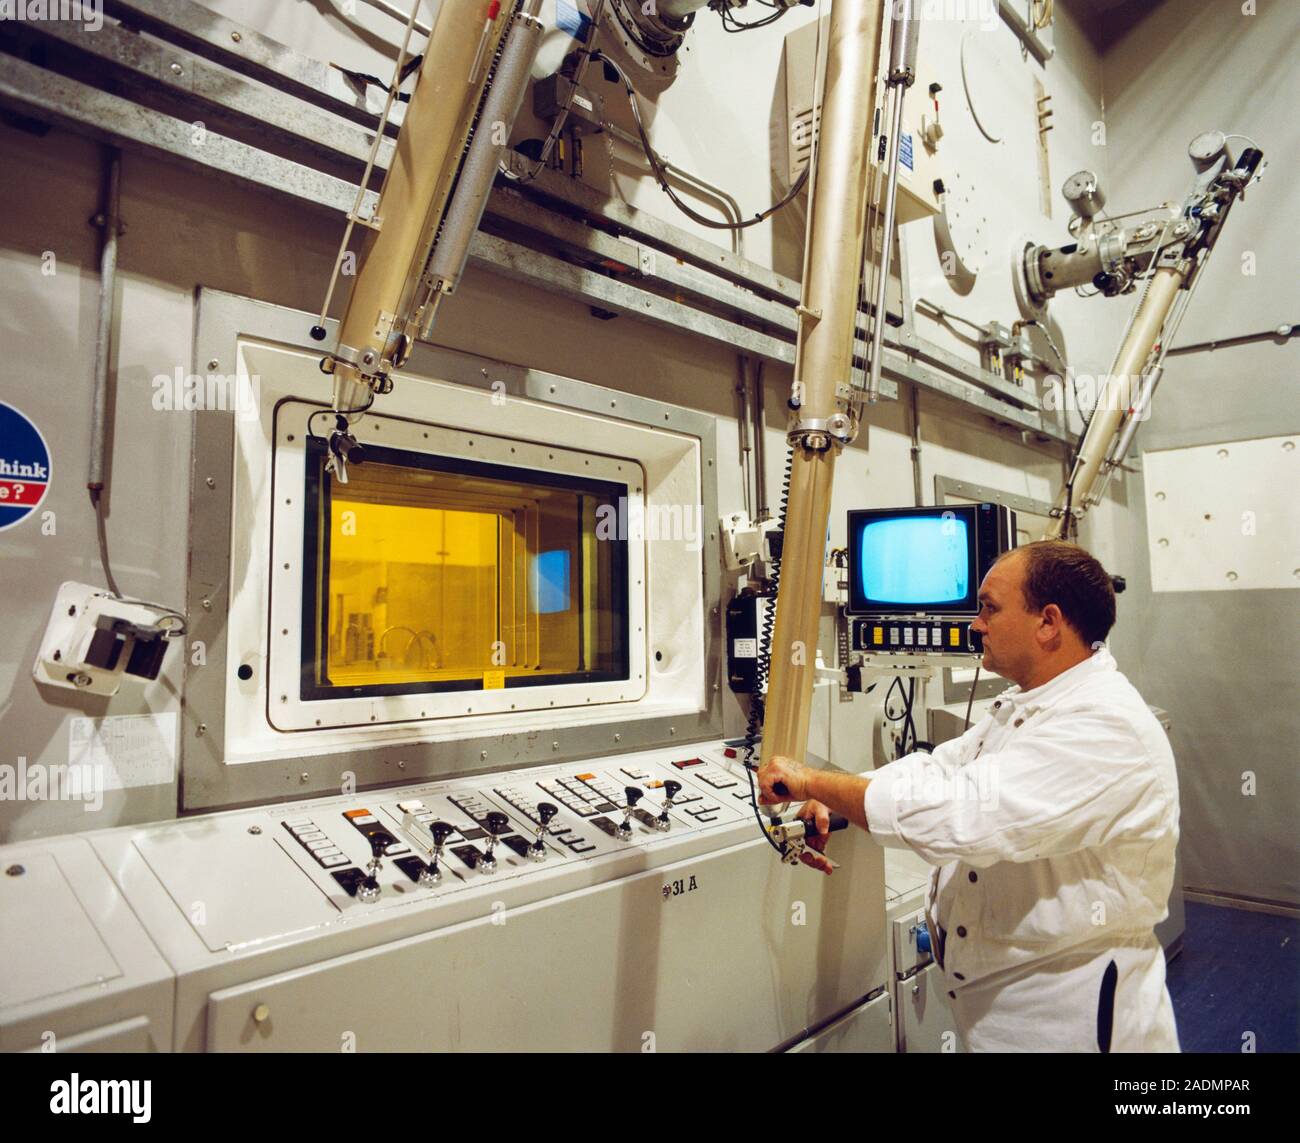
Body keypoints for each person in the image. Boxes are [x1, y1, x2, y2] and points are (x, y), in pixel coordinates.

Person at [757, 540, 1180, 1052]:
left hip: (1070, 1012)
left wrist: (812, 781)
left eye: (990, 608)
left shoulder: (1104, 724)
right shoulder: (1032, 703)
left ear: (1048, 623)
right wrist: (840, 795)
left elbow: (964, 814)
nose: (976, 624)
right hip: (1002, 1004)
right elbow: (942, 766)